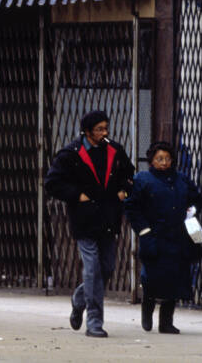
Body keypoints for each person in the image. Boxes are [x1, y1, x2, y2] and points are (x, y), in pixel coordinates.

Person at [44, 110, 134, 338]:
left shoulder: (115, 150)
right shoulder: (71, 154)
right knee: (92, 269)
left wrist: (124, 190)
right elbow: (52, 183)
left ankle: (79, 298)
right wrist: (77, 195)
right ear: (87, 131)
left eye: (106, 128)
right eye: (99, 129)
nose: (104, 133)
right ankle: (94, 321)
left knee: (108, 268)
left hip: (109, 217)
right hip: (84, 220)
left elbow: (129, 173)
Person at [124, 141, 202, 334]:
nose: (164, 162)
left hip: (177, 236)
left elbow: (197, 199)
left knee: (175, 280)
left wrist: (191, 210)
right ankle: (147, 307)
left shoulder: (181, 179)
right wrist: (143, 230)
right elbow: (131, 207)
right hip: (154, 236)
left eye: (167, 159)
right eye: (160, 159)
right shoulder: (143, 179)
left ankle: (166, 321)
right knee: (153, 277)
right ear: (152, 160)